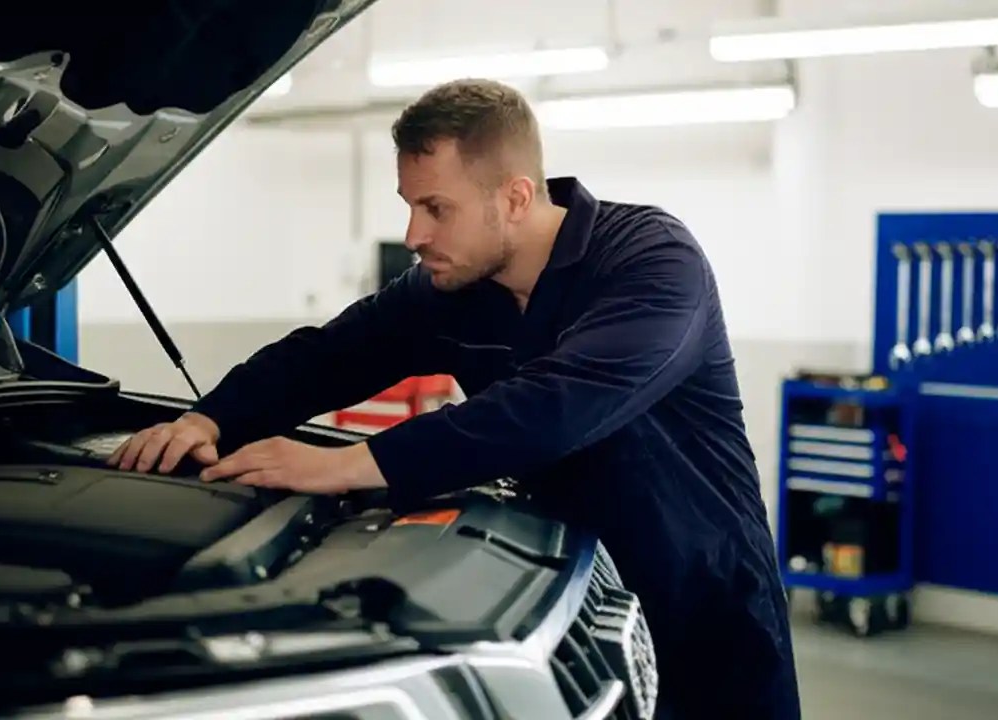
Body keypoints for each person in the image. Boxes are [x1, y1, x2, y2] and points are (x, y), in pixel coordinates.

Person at [109, 77, 801, 719]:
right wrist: (211, 417)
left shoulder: (651, 259)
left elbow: (557, 403)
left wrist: (347, 465)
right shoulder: (452, 290)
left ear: (517, 198)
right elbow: (331, 354)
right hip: (570, 596)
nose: (415, 235)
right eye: (410, 206)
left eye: (436, 208)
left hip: (706, 608)